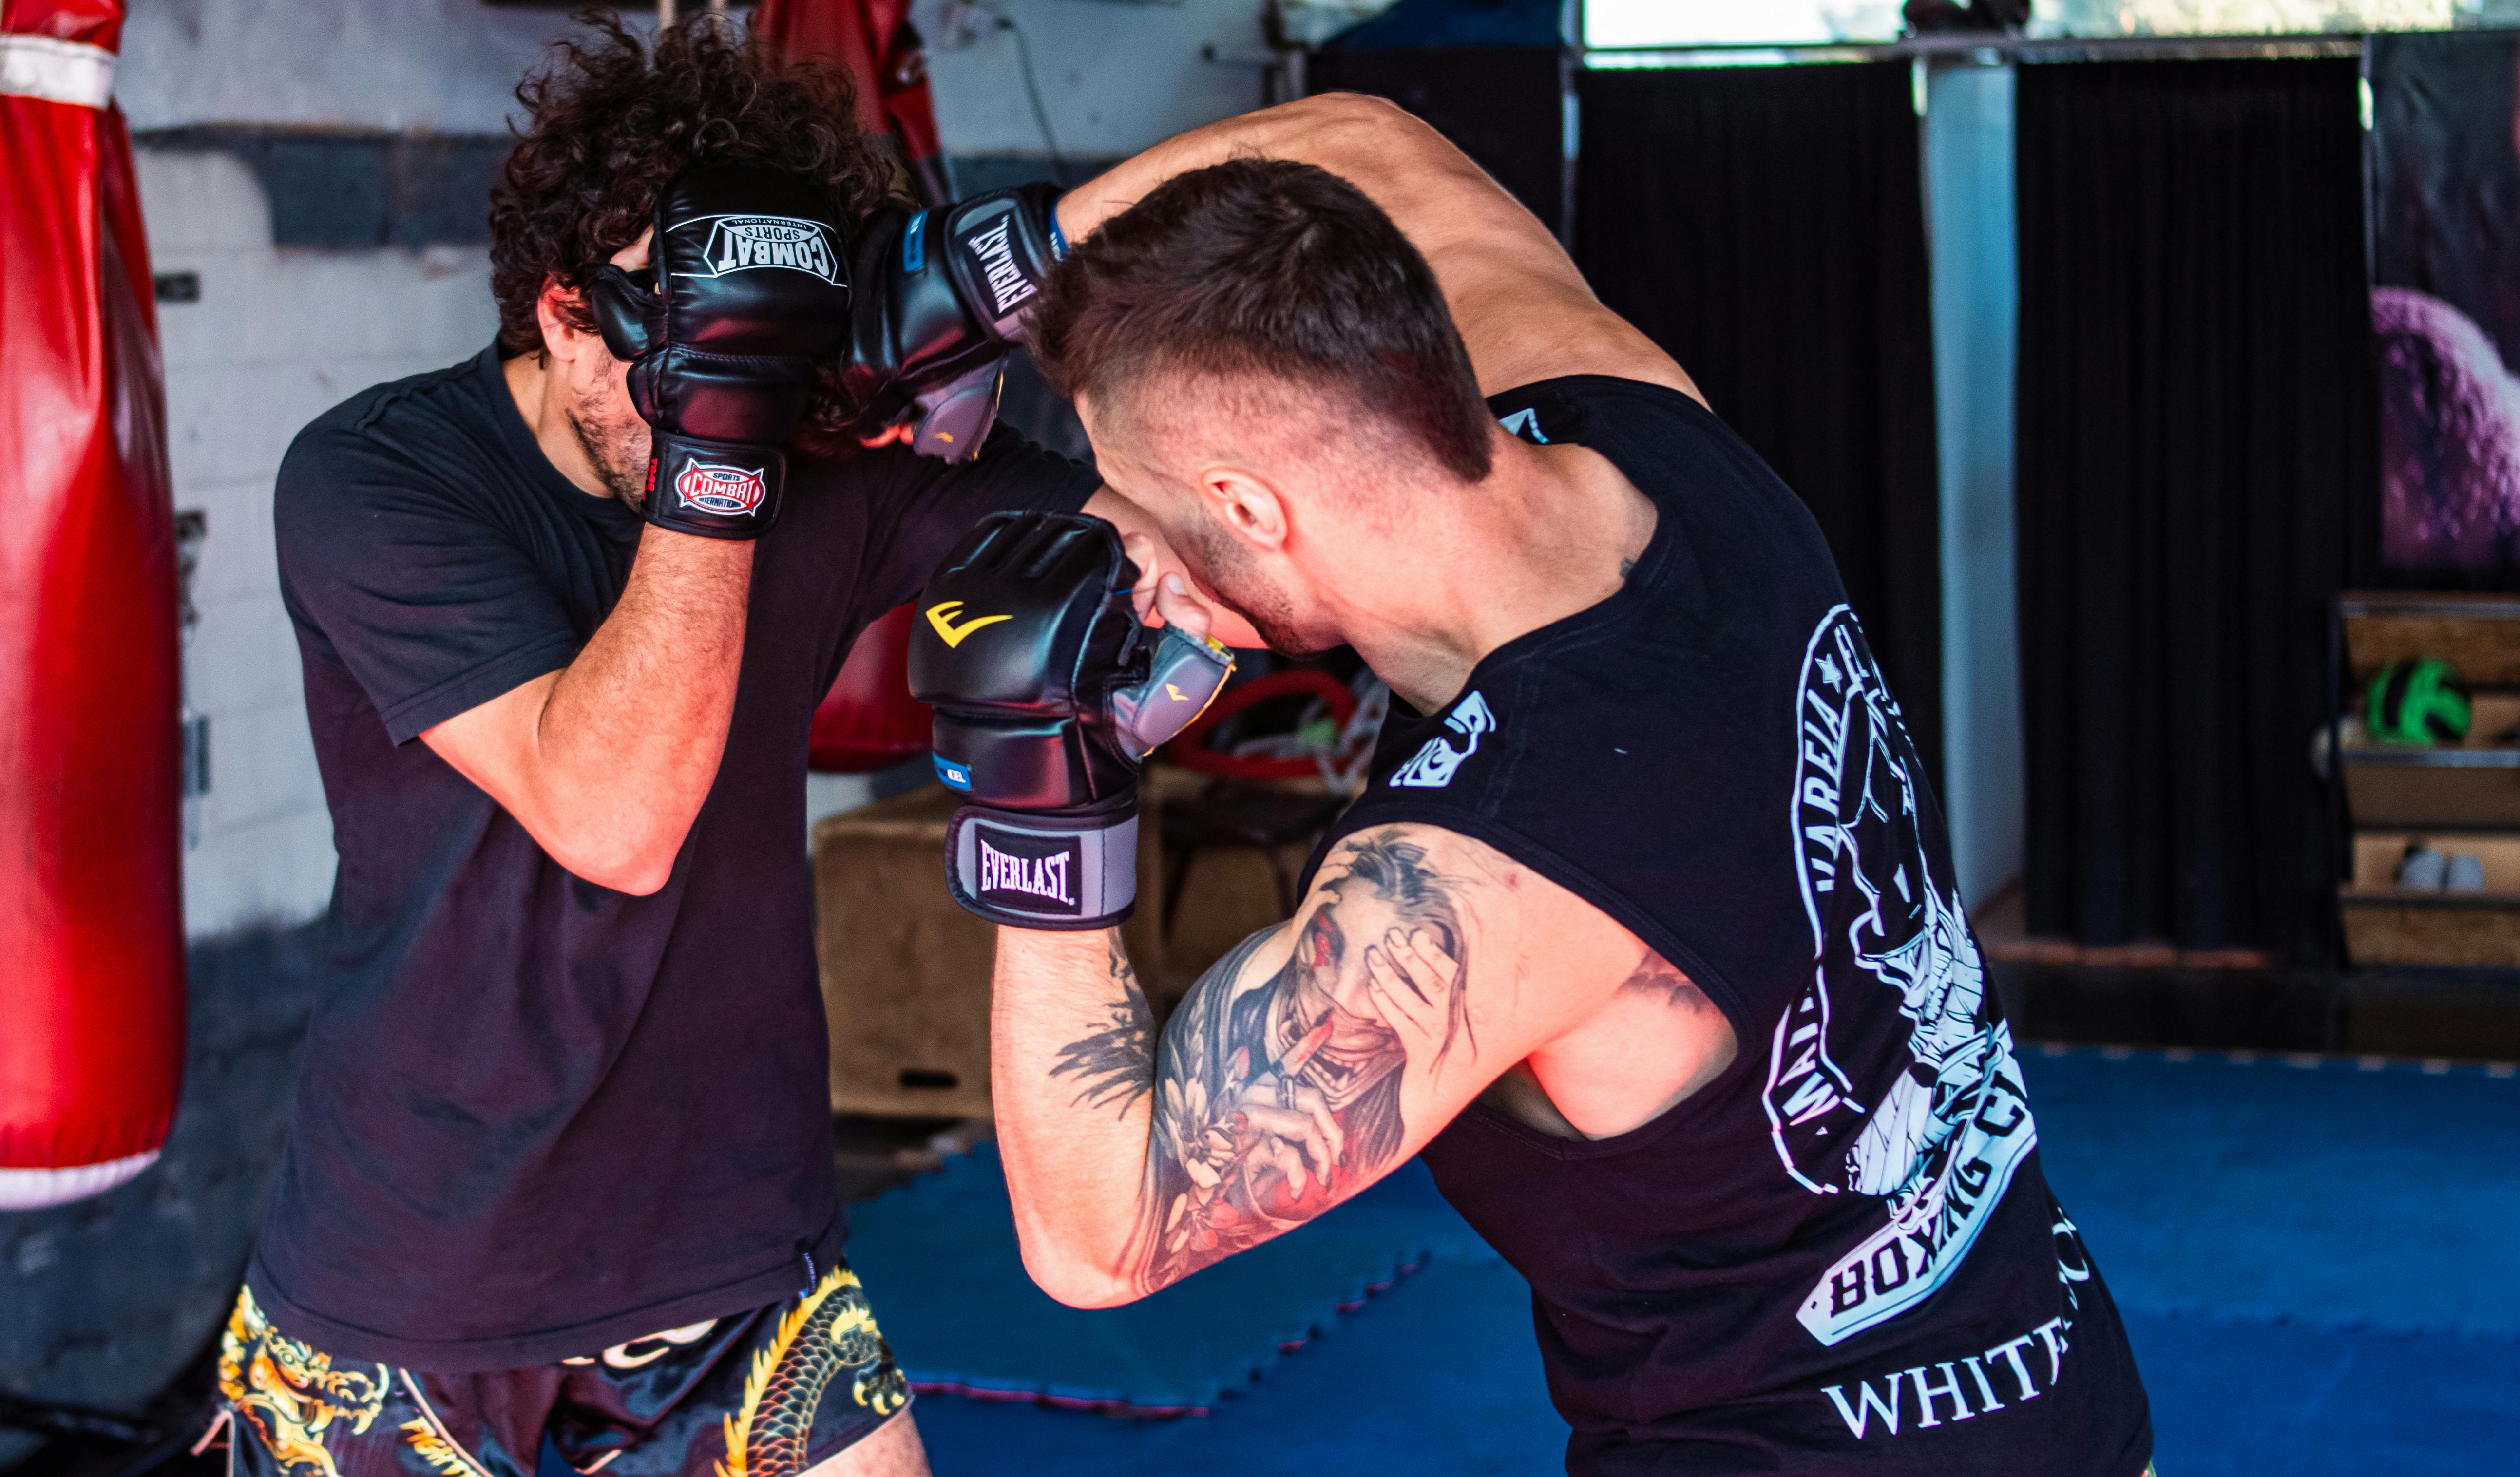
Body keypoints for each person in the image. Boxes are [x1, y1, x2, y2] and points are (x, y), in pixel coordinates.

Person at [910, 94, 2156, 1473]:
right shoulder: (1649, 436)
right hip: (2064, 1390)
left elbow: (1097, 1239)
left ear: (1254, 508)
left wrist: (1046, 800)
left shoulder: (1493, 867)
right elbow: (1372, 144)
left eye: (1133, 496)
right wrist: (974, 276)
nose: (1127, 548)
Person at [218, 14, 1139, 1477]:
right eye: (689, 339)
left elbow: (1174, 547)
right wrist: (719, 454)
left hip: (739, 1252)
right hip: (412, 1289)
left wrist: (1023, 308)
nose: (725, 388)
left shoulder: (816, 461)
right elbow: (614, 816)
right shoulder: (373, 477)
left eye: (759, 349)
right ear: (567, 306)